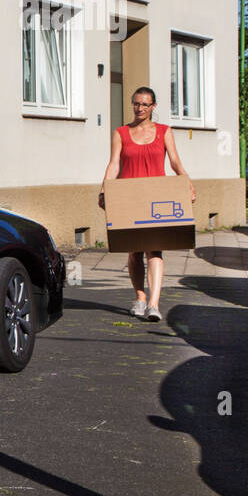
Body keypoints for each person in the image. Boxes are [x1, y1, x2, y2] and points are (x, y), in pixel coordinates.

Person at [99, 86, 196, 322]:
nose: (140, 108)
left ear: (153, 106)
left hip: (156, 196)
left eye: (145, 104)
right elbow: (114, 164)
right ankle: (140, 298)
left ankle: (154, 304)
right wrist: (104, 189)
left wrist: (187, 184)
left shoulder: (164, 131)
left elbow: (174, 162)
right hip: (129, 196)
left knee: (155, 249)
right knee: (134, 251)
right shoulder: (120, 132)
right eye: (136, 103)